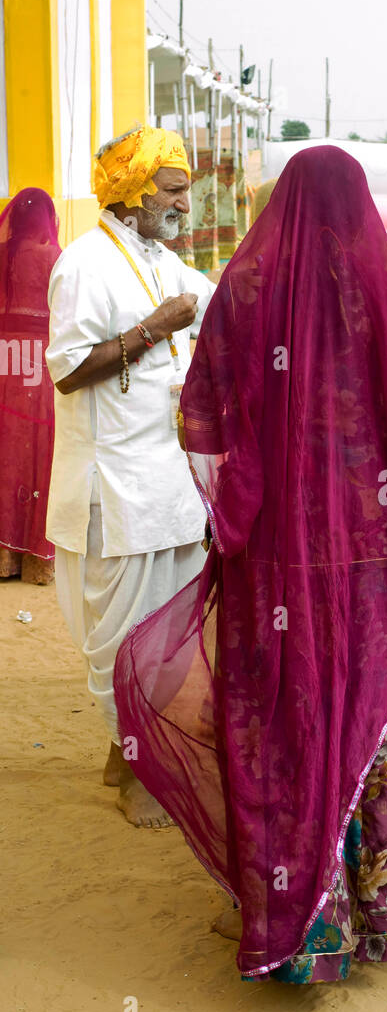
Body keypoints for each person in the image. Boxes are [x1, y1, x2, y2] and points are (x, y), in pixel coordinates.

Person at [114, 146, 387, 985]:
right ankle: (376, 913)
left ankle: (289, 916)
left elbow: (201, 426)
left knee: (283, 716)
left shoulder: (243, 294)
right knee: (368, 712)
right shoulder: (385, 297)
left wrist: (239, 507)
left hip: (275, 561)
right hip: (371, 555)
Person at [45, 125, 216, 827]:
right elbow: (66, 372)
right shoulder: (85, 263)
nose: (185, 203)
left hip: (167, 484)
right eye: (174, 190)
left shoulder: (157, 256)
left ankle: (135, 753)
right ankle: (136, 764)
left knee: (166, 634)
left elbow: (222, 299)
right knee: (122, 639)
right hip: (112, 487)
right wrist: (155, 328)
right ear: (135, 190)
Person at [0, 189, 60, 585]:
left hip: (5, 359)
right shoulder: (53, 256)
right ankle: (34, 559)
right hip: (38, 361)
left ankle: (6, 555)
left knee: (8, 445)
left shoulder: (2, 254)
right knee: (39, 447)